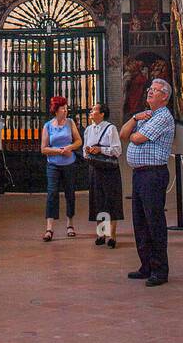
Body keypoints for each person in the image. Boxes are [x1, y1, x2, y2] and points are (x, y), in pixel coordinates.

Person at [120, 77, 175, 287]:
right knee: (140, 222)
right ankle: (146, 265)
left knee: (154, 222)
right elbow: (124, 133)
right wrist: (135, 118)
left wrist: (135, 131)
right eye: (150, 88)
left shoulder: (163, 117)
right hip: (140, 174)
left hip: (153, 175)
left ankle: (160, 270)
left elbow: (136, 138)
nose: (150, 92)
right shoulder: (145, 115)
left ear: (165, 97)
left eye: (156, 90)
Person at [40, 95, 81, 241]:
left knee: (70, 193)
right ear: (56, 110)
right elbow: (43, 149)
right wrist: (58, 151)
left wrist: (70, 147)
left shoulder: (70, 123)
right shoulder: (48, 126)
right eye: (63, 108)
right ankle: (49, 227)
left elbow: (78, 141)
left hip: (69, 164)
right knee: (52, 193)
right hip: (53, 165)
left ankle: (70, 224)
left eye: (66, 108)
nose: (65, 110)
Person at [83, 102, 122, 248]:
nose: (91, 112)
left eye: (94, 110)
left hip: (109, 170)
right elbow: (84, 149)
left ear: (102, 114)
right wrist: (88, 151)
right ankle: (100, 233)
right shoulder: (88, 130)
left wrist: (101, 150)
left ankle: (112, 235)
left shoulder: (111, 129)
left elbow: (117, 150)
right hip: (95, 169)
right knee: (98, 201)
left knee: (111, 200)